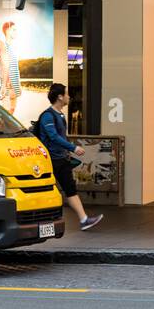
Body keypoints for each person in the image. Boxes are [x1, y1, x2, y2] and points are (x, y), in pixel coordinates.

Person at [36, 83, 102, 230]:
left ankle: (84, 219)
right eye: (66, 94)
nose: (69, 96)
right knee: (46, 190)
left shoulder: (60, 115)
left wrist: (68, 152)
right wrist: (73, 148)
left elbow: (60, 137)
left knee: (70, 188)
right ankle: (40, 222)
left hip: (61, 159)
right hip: (51, 160)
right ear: (60, 97)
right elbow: (53, 137)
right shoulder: (48, 116)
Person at [0, 20, 21, 114]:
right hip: (9, 86)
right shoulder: (4, 46)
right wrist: (9, 84)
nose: (16, 32)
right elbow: (3, 66)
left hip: (14, 85)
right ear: (7, 31)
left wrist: (19, 84)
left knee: (12, 111)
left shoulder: (12, 47)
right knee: (7, 113)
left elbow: (15, 67)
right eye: (14, 30)